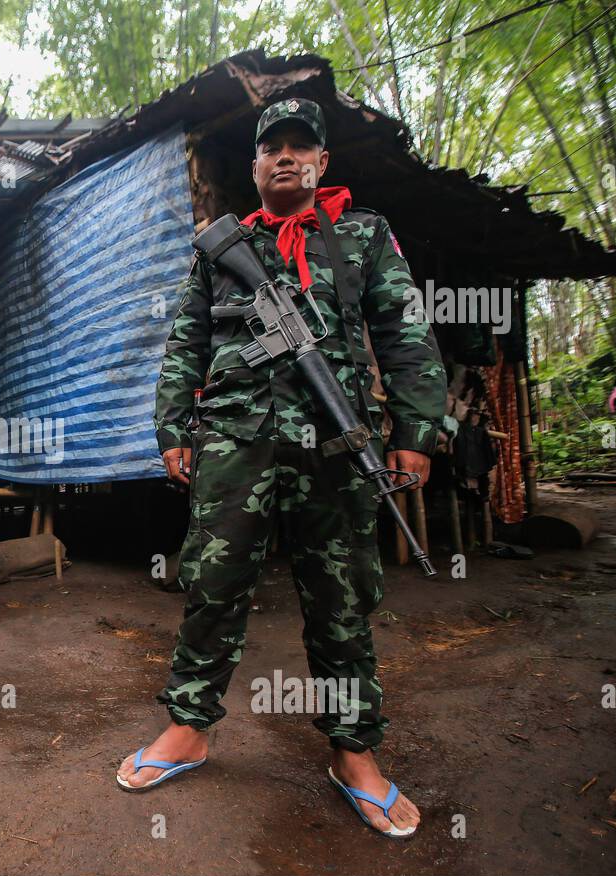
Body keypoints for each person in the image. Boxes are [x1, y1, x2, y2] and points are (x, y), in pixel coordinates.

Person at [118, 99, 446, 838]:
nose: (287, 156)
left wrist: (418, 431)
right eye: (274, 148)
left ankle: (354, 750)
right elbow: (185, 341)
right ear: (257, 164)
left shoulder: (364, 236)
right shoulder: (221, 248)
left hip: (336, 442)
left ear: (323, 162)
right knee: (213, 582)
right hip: (235, 443)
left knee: (342, 597)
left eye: (303, 147)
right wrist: (173, 422)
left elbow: (405, 332)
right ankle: (189, 725)